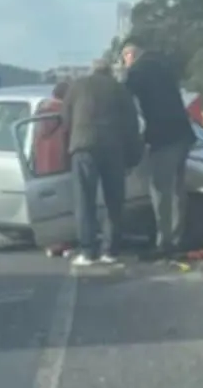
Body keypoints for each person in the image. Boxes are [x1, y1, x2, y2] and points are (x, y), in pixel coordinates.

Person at [120, 39, 196, 260]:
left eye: (124, 59)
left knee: (160, 190)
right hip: (184, 133)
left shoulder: (137, 71)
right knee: (178, 189)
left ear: (129, 55)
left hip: (163, 136)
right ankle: (178, 236)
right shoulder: (164, 66)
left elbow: (125, 102)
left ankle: (165, 242)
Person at [61, 59, 141, 266]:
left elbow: (65, 119)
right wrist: (132, 158)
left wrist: (70, 145)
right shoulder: (119, 89)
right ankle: (111, 251)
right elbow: (132, 125)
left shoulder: (77, 86)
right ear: (109, 72)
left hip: (83, 147)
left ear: (92, 70)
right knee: (114, 201)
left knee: (84, 201)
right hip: (114, 150)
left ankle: (88, 252)